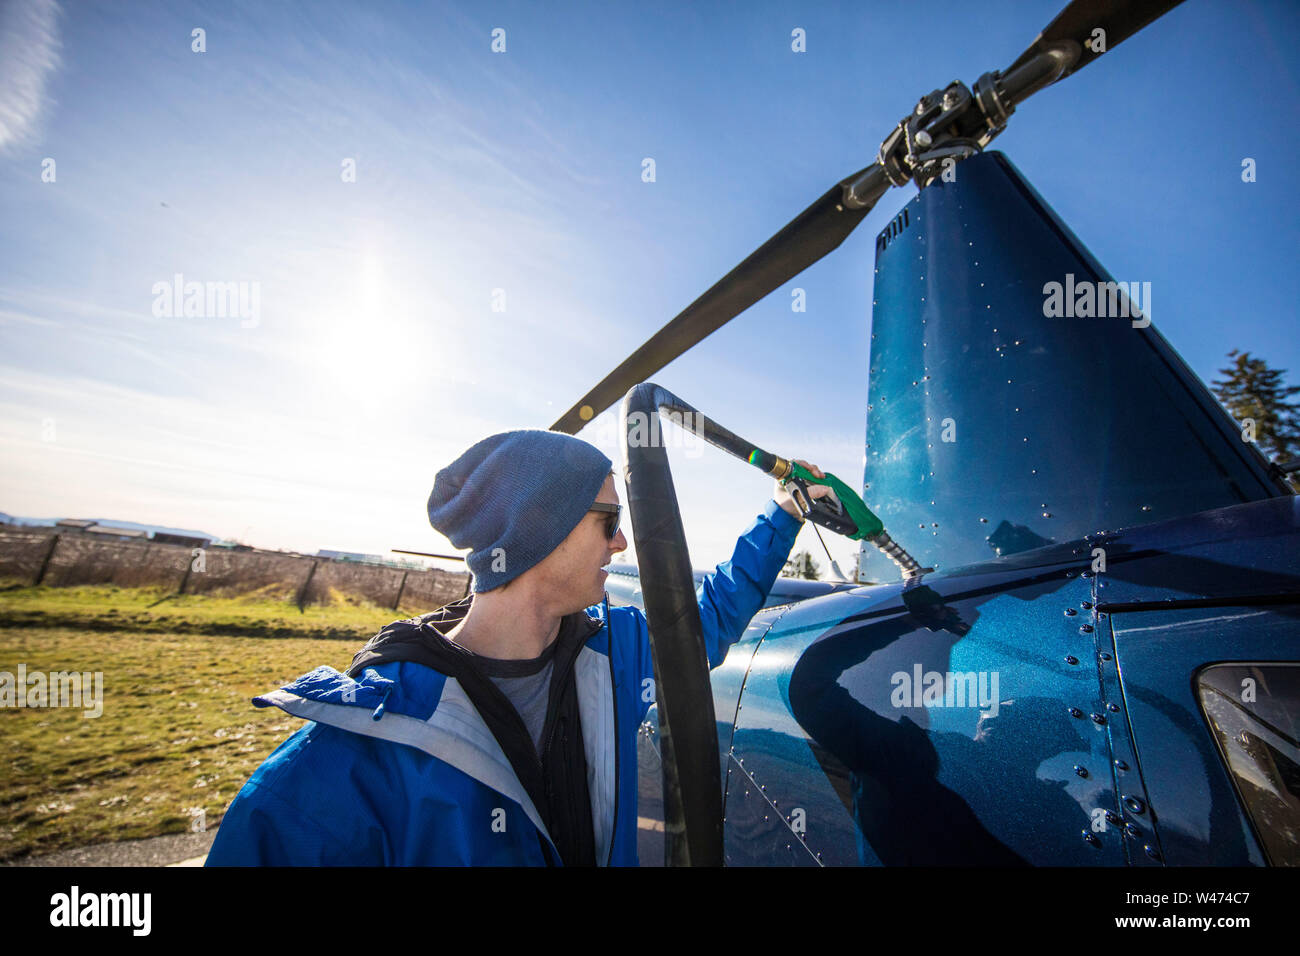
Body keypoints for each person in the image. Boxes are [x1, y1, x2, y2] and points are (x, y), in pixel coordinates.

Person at [206, 429, 830, 866]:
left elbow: (708, 619)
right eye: (609, 522)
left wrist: (784, 512)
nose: (620, 545)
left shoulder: (617, 651)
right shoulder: (356, 750)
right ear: (544, 531)